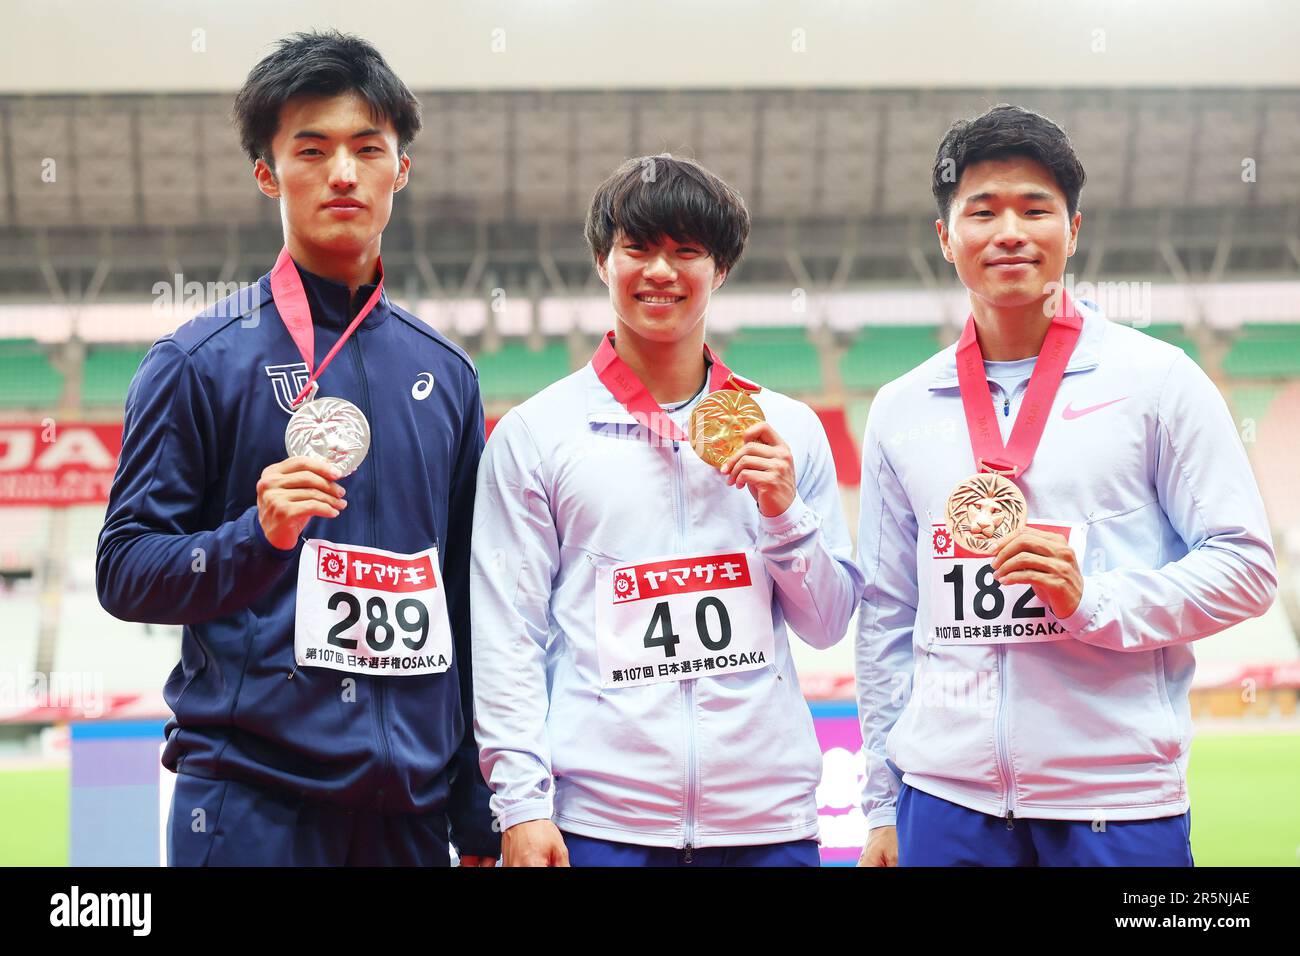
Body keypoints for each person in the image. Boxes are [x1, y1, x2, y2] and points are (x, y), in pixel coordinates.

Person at [96, 31, 497, 866]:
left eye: (367, 149)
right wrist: (256, 538)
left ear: (401, 170)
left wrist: (474, 810)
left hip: (409, 817)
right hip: (250, 804)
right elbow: (126, 569)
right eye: (311, 150)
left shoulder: (449, 376)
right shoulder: (196, 362)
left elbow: (464, 603)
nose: (343, 173)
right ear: (268, 173)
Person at [854, 104, 1277, 867]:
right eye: (982, 211)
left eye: (1035, 209)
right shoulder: (900, 408)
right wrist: (884, 801)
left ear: (1073, 232)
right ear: (946, 238)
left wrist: (1096, 602)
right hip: (944, 804)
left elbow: (1246, 568)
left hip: (1115, 804)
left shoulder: (1157, 382)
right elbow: (887, 617)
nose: (1009, 230)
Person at [471, 155, 866, 867]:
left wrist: (783, 514)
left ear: (720, 270)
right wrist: (521, 804)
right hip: (598, 824)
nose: (661, 270)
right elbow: (508, 632)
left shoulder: (786, 429)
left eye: (687, 251)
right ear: (602, 259)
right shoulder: (537, 433)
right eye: (639, 248)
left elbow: (828, 620)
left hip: (766, 825)